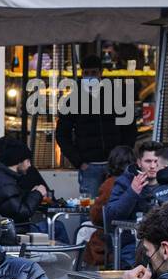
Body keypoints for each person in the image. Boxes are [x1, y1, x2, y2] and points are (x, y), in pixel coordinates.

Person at [54, 54, 138, 198]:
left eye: (93, 72)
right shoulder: (73, 99)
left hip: (115, 165)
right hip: (89, 165)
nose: (90, 77)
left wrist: (122, 156)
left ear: (101, 73)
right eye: (86, 73)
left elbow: (129, 128)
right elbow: (62, 134)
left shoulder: (117, 96)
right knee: (90, 210)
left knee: (118, 203)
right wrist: (79, 161)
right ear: (82, 74)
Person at [104, 139, 163, 266]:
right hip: (132, 244)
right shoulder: (125, 181)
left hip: (164, 244)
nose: (152, 166)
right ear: (139, 162)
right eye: (148, 161)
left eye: (156, 161)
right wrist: (132, 191)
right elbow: (111, 215)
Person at [0, 138, 48, 233]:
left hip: (6, 227)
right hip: (13, 229)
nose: (29, 165)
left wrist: (31, 194)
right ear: (19, 161)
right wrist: (38, 194)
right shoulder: (5, 182)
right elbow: (21, 212)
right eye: (28, 161)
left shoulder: (0, 176)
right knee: (58, 227)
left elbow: (11, 202)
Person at [83, 145, 134, 267]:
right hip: (131, 237)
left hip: (111, 241)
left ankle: (83, 277)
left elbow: (97, 217)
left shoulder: (110, 184)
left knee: (83, 231)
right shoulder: (138, 181)